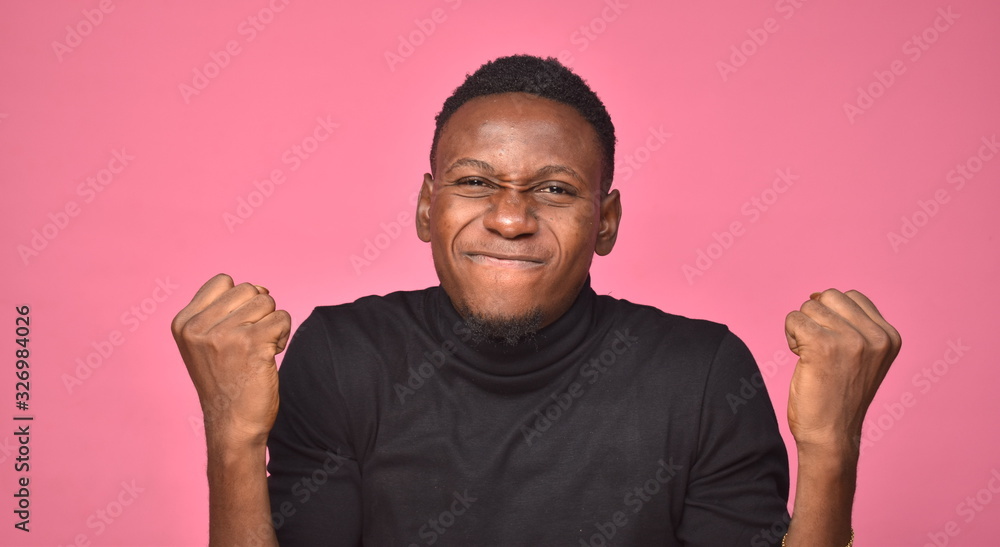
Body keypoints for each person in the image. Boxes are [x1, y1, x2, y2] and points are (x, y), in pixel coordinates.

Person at [172, 55, 901, 546]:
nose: (511, 217)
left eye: (553, 189)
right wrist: (231, 439)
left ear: (606, 222)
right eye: (475, 182)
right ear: (428, 207)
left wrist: (833, 450)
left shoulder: (701, 374)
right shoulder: (345, 355)